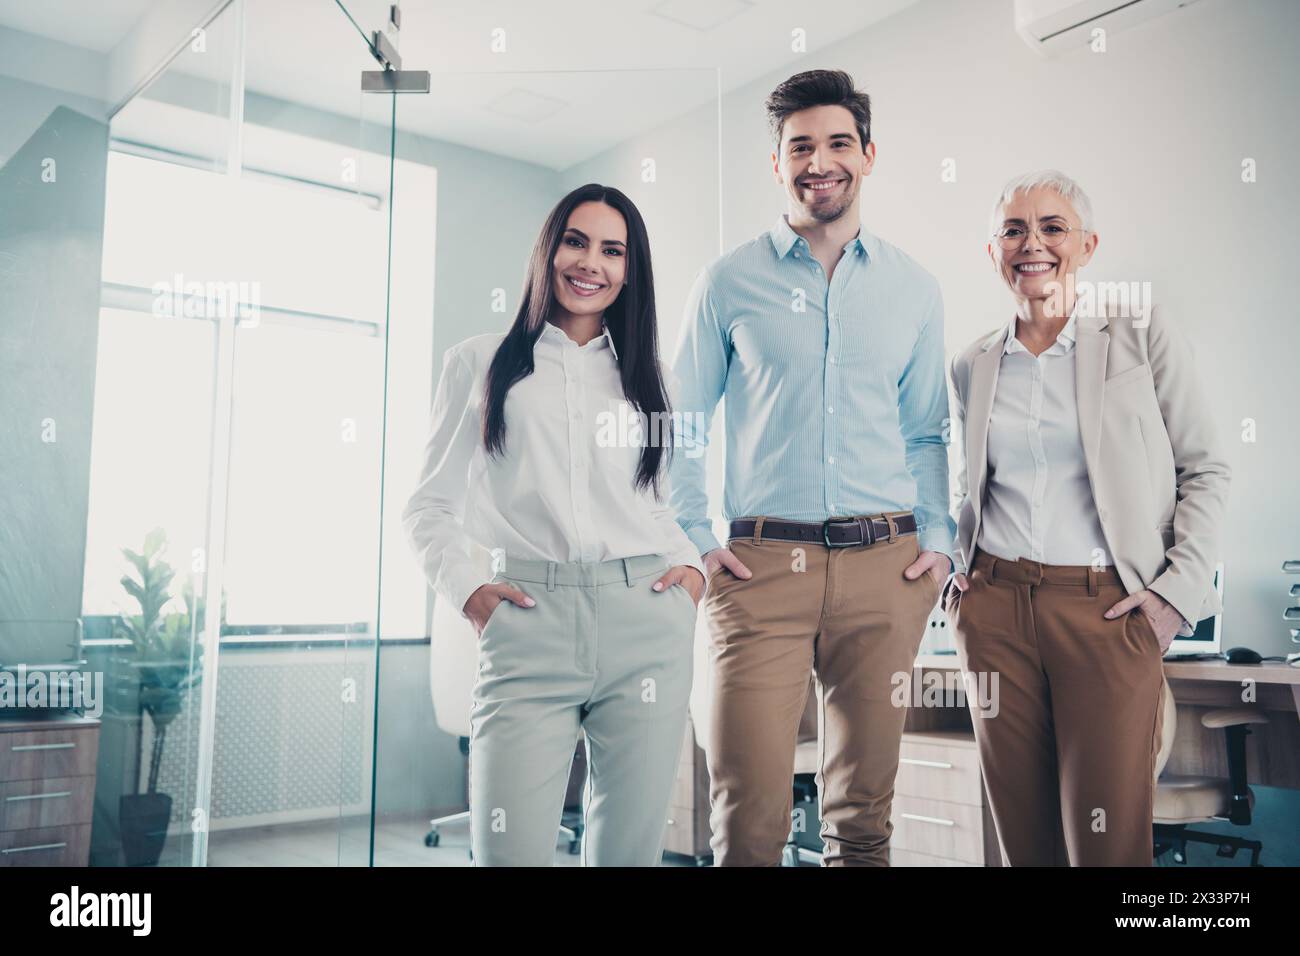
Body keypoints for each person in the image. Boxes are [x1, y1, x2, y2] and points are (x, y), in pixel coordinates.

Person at [670, 70, 955, 866]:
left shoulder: (914, 289)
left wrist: (938, 542)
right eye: (800, 146)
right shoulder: (727, 282)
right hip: (759, 568)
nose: (818, 161)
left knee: (864, 822)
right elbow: (682, 424)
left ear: (867, 155)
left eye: (837, 143)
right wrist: (695, 537)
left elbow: (928, 432)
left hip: (887, 571)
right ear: (777, 164)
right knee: (748, 818)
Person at [401, 183, 706, 866]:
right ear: (549, 248)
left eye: (612, 249)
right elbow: (428, 507)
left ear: (630, 270)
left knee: (626, 854)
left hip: (646, 620)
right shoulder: (480, 364)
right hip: (529, 624)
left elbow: (656, 504)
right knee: (507, 853)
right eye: (576, 240)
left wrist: (691, 577)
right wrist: (471, 594)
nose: (590, 262)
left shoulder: (652, 379)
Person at [945, 169, 1231, 865]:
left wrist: (1173, 596)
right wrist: (958, 581)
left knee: (1105, 845)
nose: (1031, 243)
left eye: (1052, 227)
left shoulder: (1139, 331)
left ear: (1088, 244)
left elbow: (1207, 468)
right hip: (996, 610)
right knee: (1024, 841)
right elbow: (970, 490)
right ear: (992, 252)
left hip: (1108, 612)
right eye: (1013, 229)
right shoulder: (972, 364)